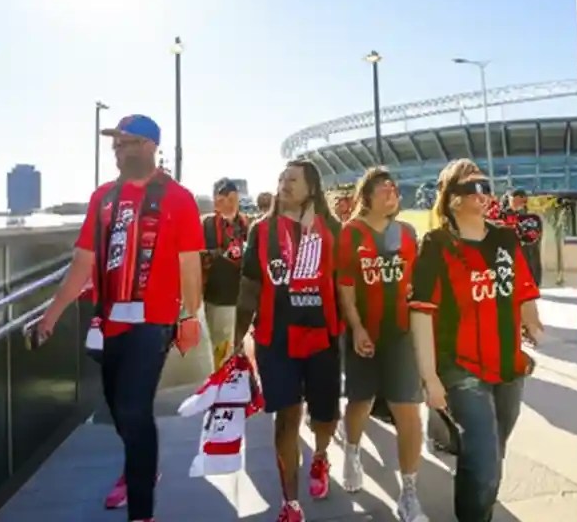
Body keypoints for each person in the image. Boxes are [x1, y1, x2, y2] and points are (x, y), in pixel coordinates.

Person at [35, 114, 204, 522]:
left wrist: (189, 316)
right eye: (115, 145)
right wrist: (52, 313)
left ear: (149, 147)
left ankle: (141, 509)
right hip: (108, 320)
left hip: (154, 321)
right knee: (117, 406)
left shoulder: (178, 198)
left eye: (125, 143)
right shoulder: (103, 198)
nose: (117, 151)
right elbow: (82, 262)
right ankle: (139, 463)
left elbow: (190, 265)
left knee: (132, 406)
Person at [410, 158, 544, 522]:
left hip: (508, 365)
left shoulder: (504, 238)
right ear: (452, 199)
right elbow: (421, 314)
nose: (485, 194)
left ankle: (477, 498)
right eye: (474, 188)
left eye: (488, 186)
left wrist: (532, 325)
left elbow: (522, 291)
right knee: (485, 463)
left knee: (492, 453)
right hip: (460, 366)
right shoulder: (436, 245)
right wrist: (430, 378)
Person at [232, 160, 342, 522]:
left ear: (312, 187)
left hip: (323, 336)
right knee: (286, 416)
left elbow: (344, 285)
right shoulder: (261, 232)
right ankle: (290, 503)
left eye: (292, 179)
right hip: (275, 339)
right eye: (281, 178)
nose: (284, 184)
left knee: (324, 417)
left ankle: (322, 455)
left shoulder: (331, 229)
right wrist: (237, 338)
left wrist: (356, 327)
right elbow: (249, 287)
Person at [336, 167, 428, 522]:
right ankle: (353, 450)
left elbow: (414, 279)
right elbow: (346, 285)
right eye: (384, 189)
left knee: (409, 410)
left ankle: (408, 493)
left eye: (394, 188)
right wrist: (356, 328)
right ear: (367, 196)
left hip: (400, 334)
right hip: (364, 333)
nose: (392, 193)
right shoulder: (351, 234)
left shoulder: (407, 233)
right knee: (361, 400)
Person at [201, 178, 251, 371]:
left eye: (233, 198)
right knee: (220, 345)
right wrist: (222, 254)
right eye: (224, 197)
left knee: (236, 344)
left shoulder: (245, 223)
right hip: (217, 295)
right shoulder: (207, 224)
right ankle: (220, 382)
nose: (230, 203)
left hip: (240, 294)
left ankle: (231, 381)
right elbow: (198, 255)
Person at [499, 188, 545, 287]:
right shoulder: (501, 216)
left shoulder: (531, 218)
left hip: (526, 252)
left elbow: (534, 236)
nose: (522, 203)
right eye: (519, 200)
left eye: (523, 201)